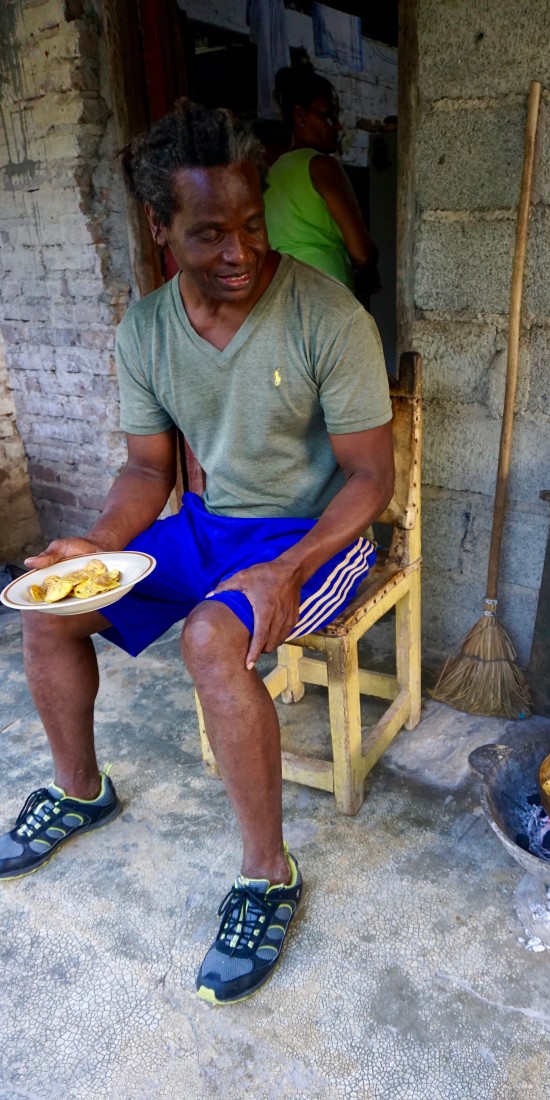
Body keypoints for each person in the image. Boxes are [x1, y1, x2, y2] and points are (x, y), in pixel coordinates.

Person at [1, 100, 394, 1005]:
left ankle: (268, 878)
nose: (239, 251)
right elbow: (148, 468)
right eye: (209, 232)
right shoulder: (145, 330)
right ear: (158, 227)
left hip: (317, 535)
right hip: (210, 529)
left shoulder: (326, 317)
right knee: (48, 602)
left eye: (250, 224)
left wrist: (287, 567)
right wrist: (96, 542)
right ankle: (79, 789)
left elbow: (370, 477)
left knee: (211, 641)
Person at [264, 62, 380, 295]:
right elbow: (362, 252)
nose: (337, 126)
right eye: (328, 116)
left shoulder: (270, 171)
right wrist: (370, 273)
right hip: (328, 296)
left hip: (283, 296)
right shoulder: (321, 166)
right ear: (300, 115)